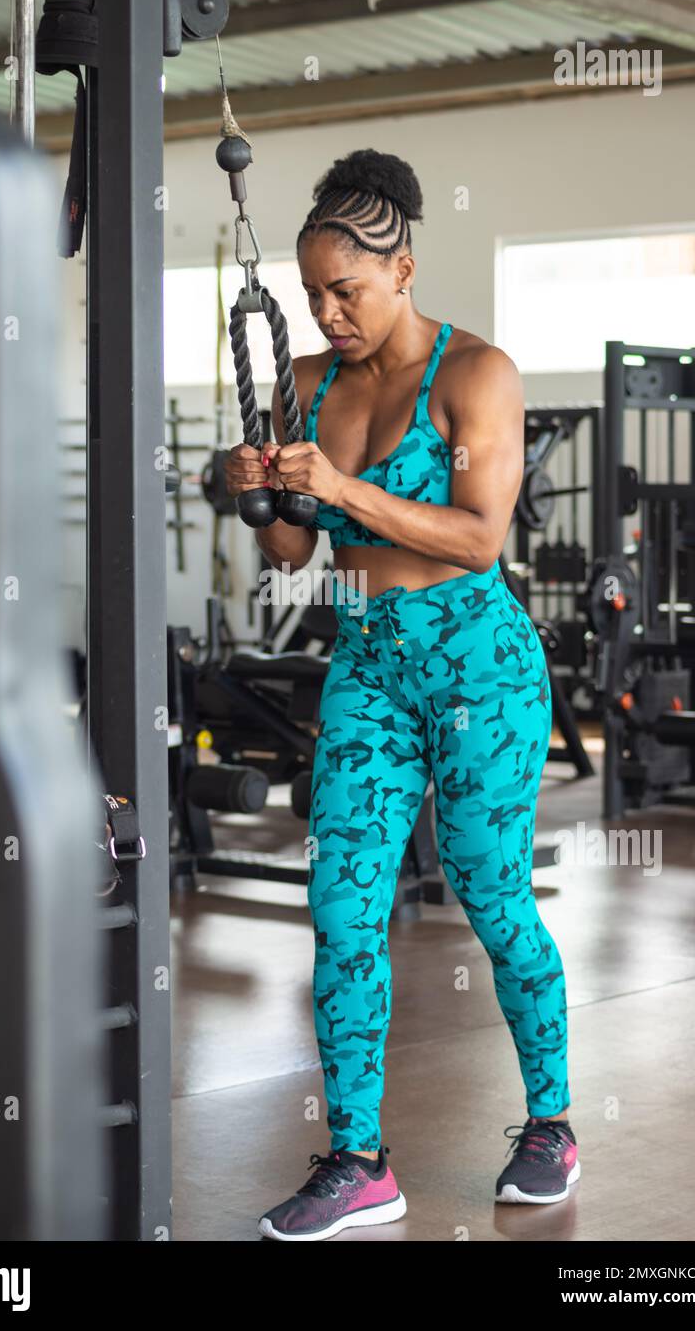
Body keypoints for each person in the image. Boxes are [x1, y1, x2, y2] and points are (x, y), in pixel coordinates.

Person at [225, 149, 578, 1242]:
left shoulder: (478, 375)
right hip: (370, 667)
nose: (328, 313)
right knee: (341, 908)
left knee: (491, 893)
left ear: (406, 268)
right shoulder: (315, 389)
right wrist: (256, 489)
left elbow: (477, 540)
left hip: (482, 671)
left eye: (349, 292)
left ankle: (554, 1121)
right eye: (314, 293)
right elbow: (291, 556)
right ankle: (359, 1159)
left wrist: (335, 485)